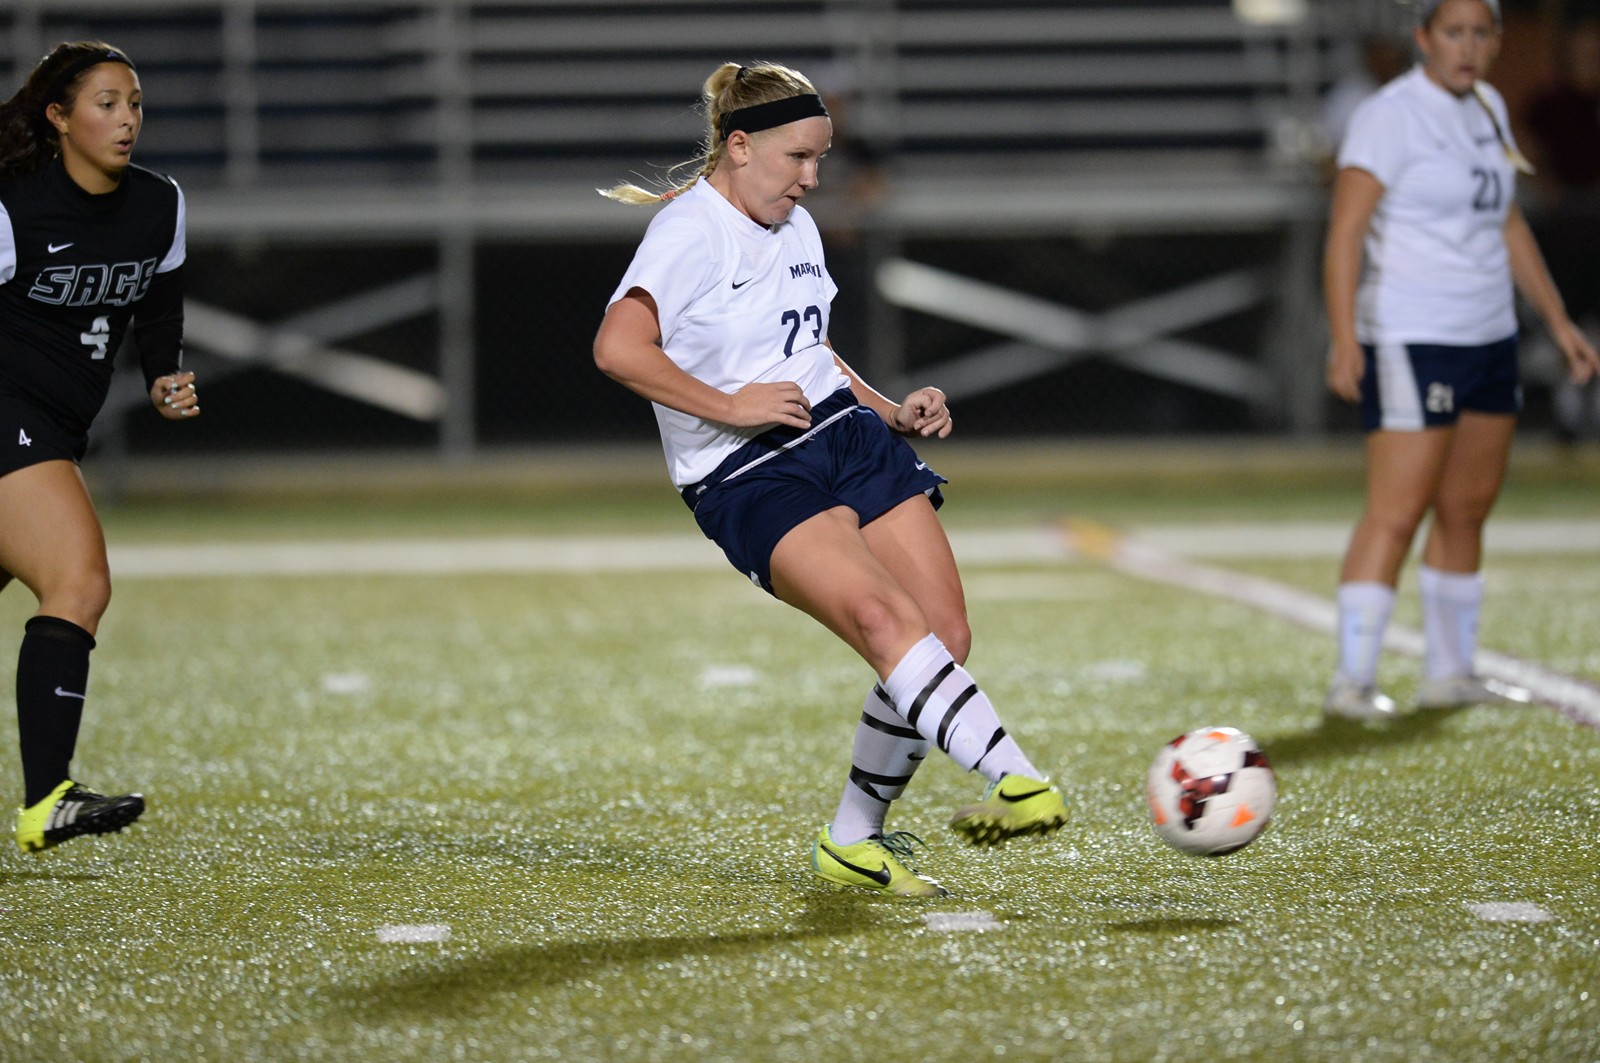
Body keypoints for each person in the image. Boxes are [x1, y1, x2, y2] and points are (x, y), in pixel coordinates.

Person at [593, 61, 1066, 897]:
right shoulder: (689, 231)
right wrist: (727, 405)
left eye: (821, 159)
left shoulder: (793, 225)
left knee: (943, 637)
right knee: (884, 617)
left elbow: (810, 350)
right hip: (747, 471)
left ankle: (853, 838)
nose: (813, 178)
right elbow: (618, 349)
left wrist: (890, 410)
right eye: (799, 159)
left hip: (845, 437)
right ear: (740, 147)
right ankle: (1017, 777)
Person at [1321, 0, 1600, 719]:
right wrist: (1347, 335)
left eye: (1482, 33)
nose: (1469, 47)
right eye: (1454, 32)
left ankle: (1450, 671)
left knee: (1468, 507)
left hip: (1489, 334)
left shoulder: (1488, 107)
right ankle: (1352, 679)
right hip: (1415, 331)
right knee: (1397, 508)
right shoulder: (1391, 114)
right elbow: (1346, 231)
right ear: (1423, 38)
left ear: (1499, 41)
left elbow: (1506, 221)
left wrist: (1556, 319)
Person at [0, 42, 198, 851]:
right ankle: (47, 799)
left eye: (136, 104)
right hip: (13, 417)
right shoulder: (13, 206)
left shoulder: (158, 202)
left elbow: (158, 302)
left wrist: (163, 375)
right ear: (58, 117)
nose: (126, 121)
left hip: (57, 425)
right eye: (106, 104)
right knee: (77, 579)